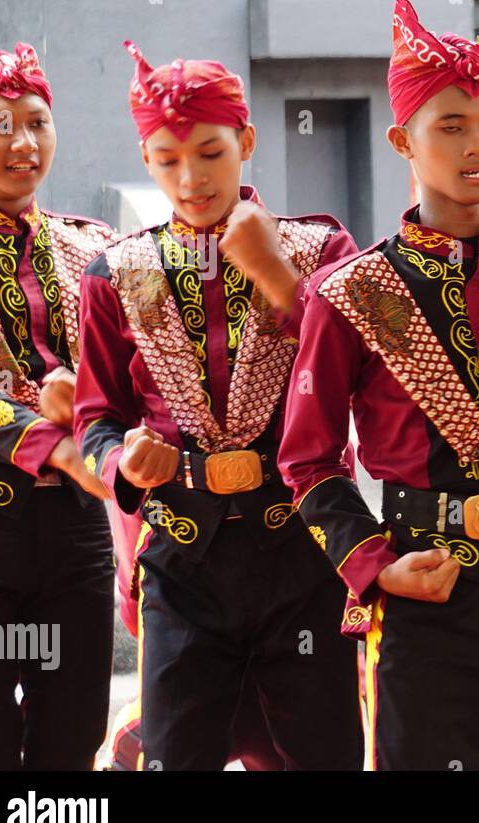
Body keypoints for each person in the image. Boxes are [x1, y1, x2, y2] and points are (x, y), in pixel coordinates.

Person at [278, 0, 479, 771]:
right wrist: (373, 564)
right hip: (426, 580)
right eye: (451, 125)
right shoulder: (350, 293)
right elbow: (307, 461)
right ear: (403, 140)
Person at [72, 42, 364, 770]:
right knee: (178, 753)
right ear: (147, 159)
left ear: (248, 142)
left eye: (210, 151)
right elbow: (95, 417)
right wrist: (121, 459)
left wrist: (277, 278)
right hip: (182, 556)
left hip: (302, 543)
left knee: (323, 751)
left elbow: (361, 371)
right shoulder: (117, 274)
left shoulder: (320, 248)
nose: (191, 177)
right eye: (167, 158)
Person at [0, 40, 115, 770]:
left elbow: (152, 360)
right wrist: (59, 442)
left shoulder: (101, 251)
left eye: (38, 122)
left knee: (73, 734)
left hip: (77, 530)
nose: (23, 143)